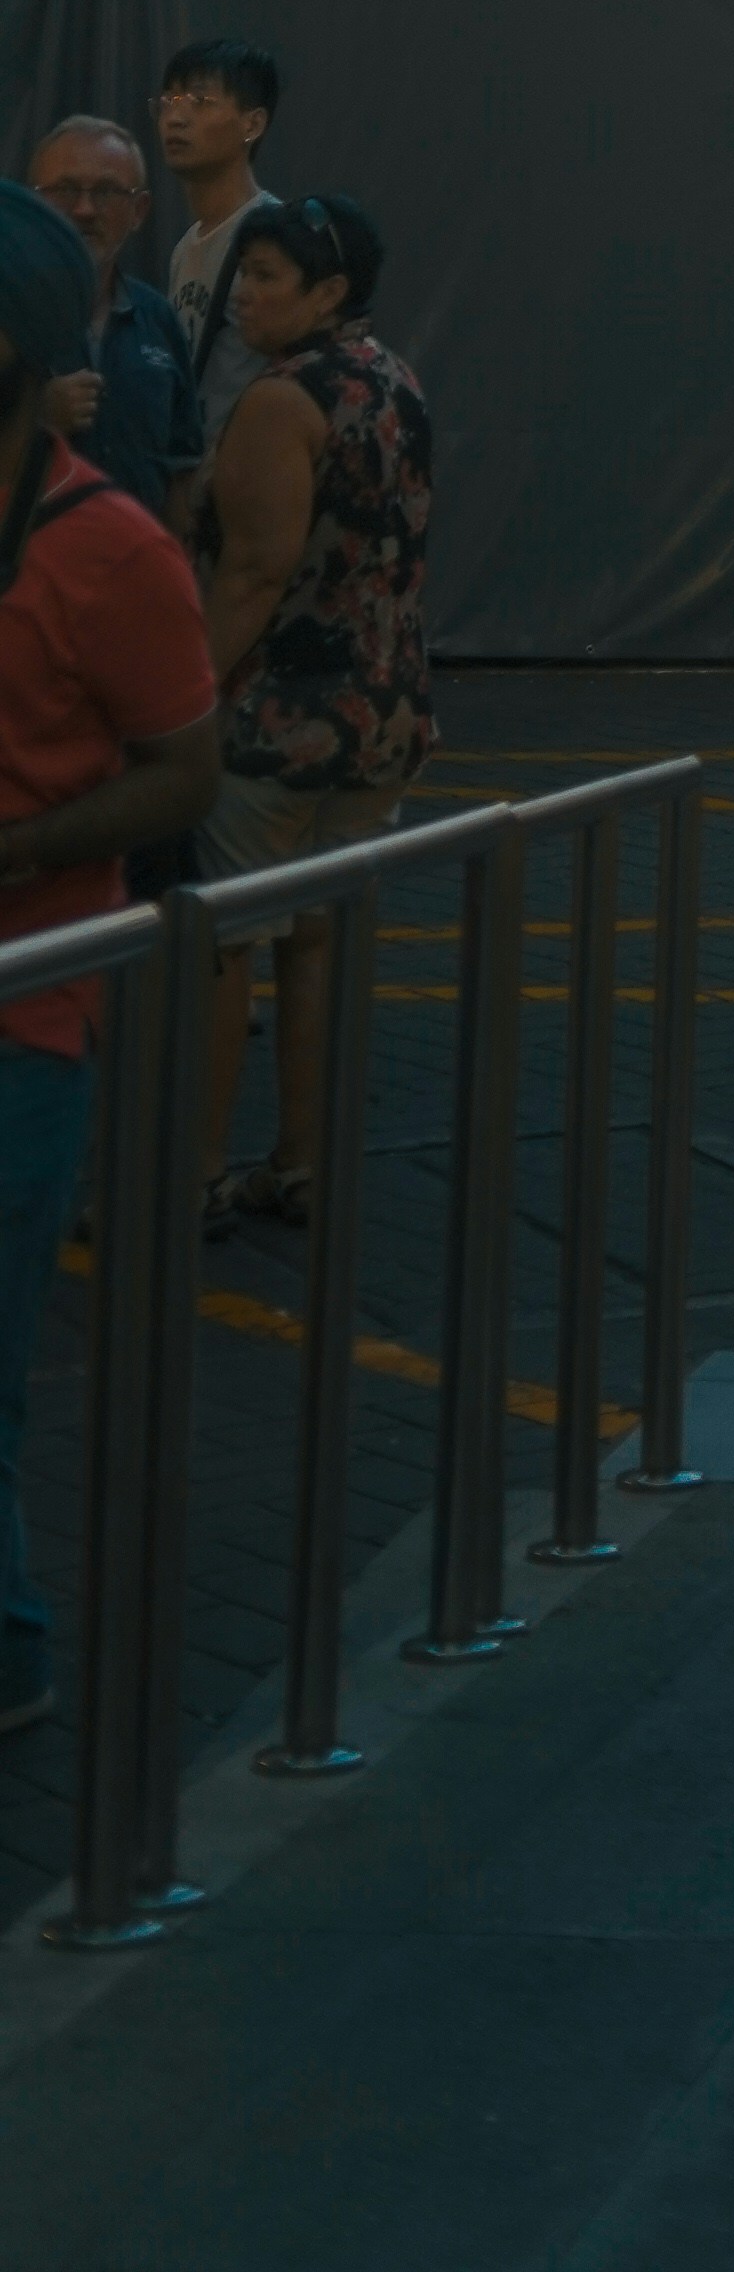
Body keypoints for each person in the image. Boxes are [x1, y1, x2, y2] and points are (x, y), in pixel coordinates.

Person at [0, 199, 216, 1738]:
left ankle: (9, 1653)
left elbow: (182, 774)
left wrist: (15, 851)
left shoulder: (111, 550)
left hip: (24, 1010)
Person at [194, 196, 434, 1230]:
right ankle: (304, 1163)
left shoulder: (279, 402)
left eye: (266, 279)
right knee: (320, 941)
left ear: (329, 292)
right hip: (385, 711)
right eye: (242, 275)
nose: (243, 297)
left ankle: (192, 1174)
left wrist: (182, 697)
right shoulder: (395, 379)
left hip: (274, 721)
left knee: (217, 944)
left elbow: (254, 570)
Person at [29, 117, 197, 532]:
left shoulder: (159, 319)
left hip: (139, 563)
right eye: (66, 190)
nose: (85, 210)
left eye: (105, 192)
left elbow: (180, 472)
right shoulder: (8, 314)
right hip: (28, 566)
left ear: (139, 211)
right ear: (35, 203)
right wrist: (35, 419)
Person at [154, 37, 283, 447]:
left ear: (252, 125)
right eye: (168, 101)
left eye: (201, 101)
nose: (176, 118)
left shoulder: (274, 235)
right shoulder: (184, 248)